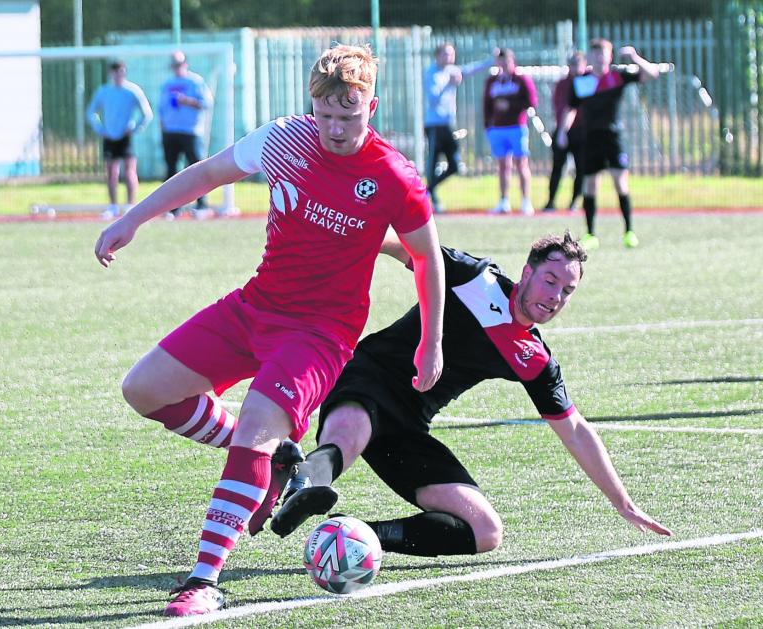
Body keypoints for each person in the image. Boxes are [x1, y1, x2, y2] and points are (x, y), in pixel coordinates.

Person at [93, 44, 445, 617]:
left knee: (257, 421)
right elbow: (209, 173)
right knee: (144, 389)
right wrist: (133, 218)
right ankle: (271, 463)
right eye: (325, 115)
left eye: (348, 117)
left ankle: (204, 579)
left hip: (321, 333)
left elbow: (428, 260)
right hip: (255, 305)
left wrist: (431, 342)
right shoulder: (285, 139)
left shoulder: (394, 176)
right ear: (312, 107)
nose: (334, 128)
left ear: (372, 108)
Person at [269, 230, 672, 557]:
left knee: (484, 531)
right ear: (527, 273)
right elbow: (398, 245)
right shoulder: (474, 278)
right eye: (550, 281)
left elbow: (576, 431)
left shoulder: (533, 358)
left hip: (408, 428)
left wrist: (624, 503)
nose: (555, 296)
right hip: (369, 379)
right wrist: (338, 243)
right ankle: (303, 481)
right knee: (350, 435)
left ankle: (352, 535)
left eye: (567, 291)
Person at [557, 40, 659, 250]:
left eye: (603, 54)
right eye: (595, 54)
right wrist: (562, 131)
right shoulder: (582, 82)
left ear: (610, 56)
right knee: (590, 185)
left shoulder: (617, 77)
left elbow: (652, 74)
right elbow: (571, 108)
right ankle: (591, 234)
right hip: (590, 139)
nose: (599, 58)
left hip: (613, 138)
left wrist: (635, 58)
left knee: (620, 184)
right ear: (590, 58)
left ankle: (629, 232)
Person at [423, 42, 492, 214]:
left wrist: (491, 61)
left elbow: (470, 70)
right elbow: (433, 99)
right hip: (434, 126)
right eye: (446, 54)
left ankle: (425, 192)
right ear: (437, 55)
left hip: (447, 126)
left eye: (452, 54)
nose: (450, 58)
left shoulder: (452, 70)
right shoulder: (431, 73)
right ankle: (432, 200)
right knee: (433, 165)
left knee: (455, 165)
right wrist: (449, 84)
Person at [87, 60, 153, 220]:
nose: (119, 76)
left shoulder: (132, 91)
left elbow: (147, 114)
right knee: (111, 172)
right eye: (116, 73)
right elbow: (90, 112)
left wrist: (134, 127)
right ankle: (113, 206)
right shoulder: (103, 91)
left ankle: (131, 205)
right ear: (111, 74)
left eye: (122, 72)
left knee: (130, 171)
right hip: (110, 137)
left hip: (125, 137)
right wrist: (101, 129)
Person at [483, 48, 538, 216]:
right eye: (500, 62)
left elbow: (532, 102)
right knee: (502, 166)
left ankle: (525, 201)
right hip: (498, 129)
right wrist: (488, 126)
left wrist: (511, 106)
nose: (503, 65)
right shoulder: (492, 81)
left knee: (521, 164)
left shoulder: (521, 79)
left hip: (516, 127)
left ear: (512, 61)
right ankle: (503, 201)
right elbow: (486, 104)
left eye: (506, 61)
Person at [159, 51, 214, 217]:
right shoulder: (166, 84)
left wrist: (187, 101)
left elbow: (207, 103)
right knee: (171, 170)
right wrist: (163, 129)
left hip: (191, 132)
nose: (177, 67)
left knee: (197, 168)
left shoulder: (196, 82)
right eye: (174, 64)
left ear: (186, 64)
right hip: (170, 132)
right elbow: (161, 109)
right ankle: (173, 208)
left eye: (179, 64)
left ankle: (202, 205)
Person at [543, 52, 587, 213]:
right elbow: (561, 107)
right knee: (557, 168)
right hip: (563, 130)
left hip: (582, 132)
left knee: (581, 169)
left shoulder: (587, 82)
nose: (575, 68)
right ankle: (551, 201)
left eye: (578, 64)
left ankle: (574, 201)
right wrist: (562, 131)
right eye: (572, 64)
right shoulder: (563, 84)